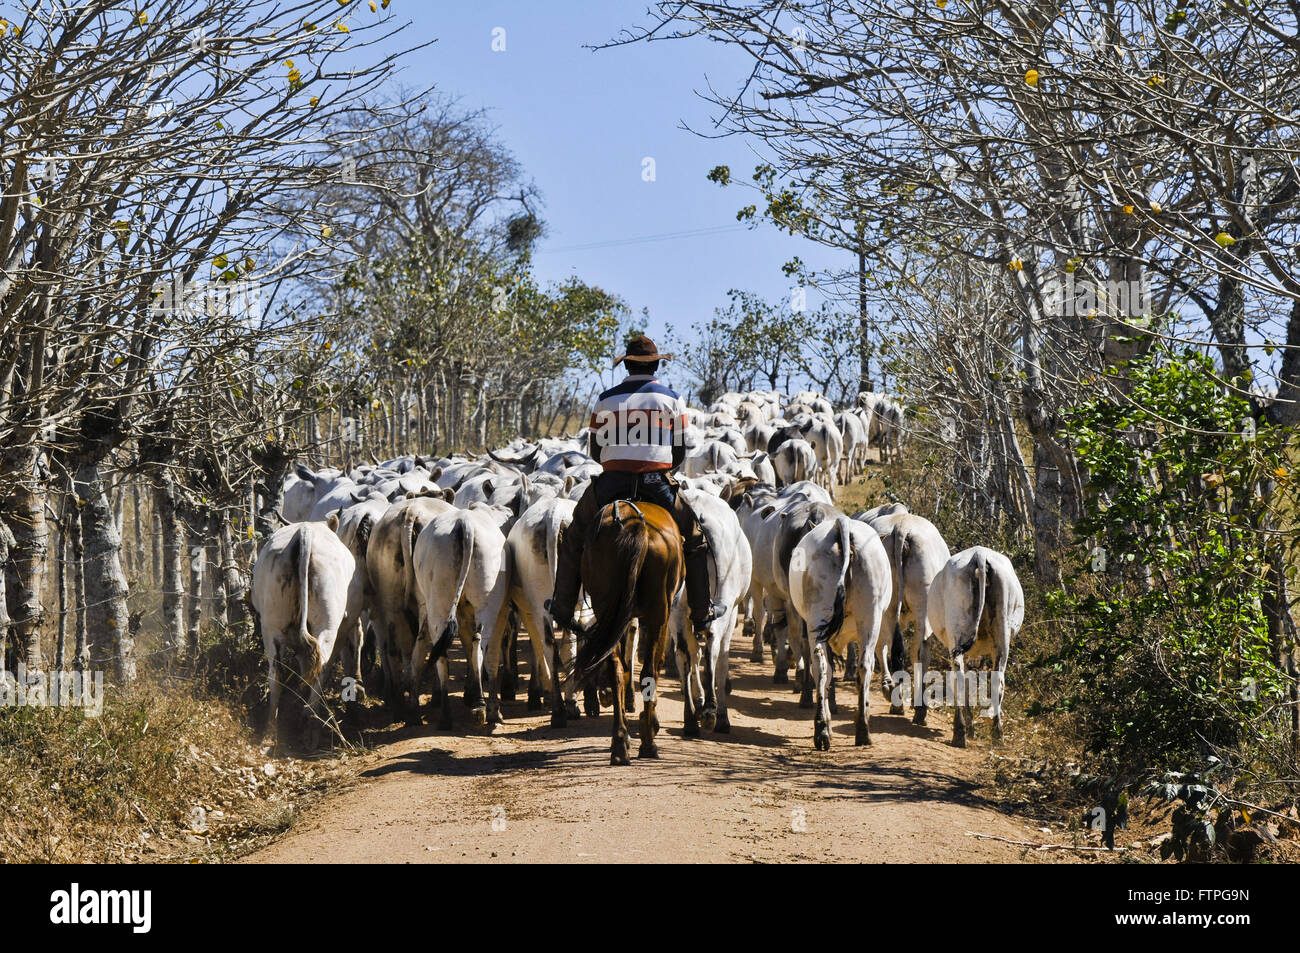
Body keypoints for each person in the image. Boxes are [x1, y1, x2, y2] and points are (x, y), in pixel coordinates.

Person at [548, 334, 721, 636]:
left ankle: (563, 607)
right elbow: (679, 450)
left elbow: (596, 450)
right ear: (656, 366)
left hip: (612, 484)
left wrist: (618, 464)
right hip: (657, 483)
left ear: (626, 365)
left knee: (574, 535)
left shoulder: (606, 399)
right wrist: (663, 469)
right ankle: (702, 612)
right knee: (694, 538)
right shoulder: (672, 398)